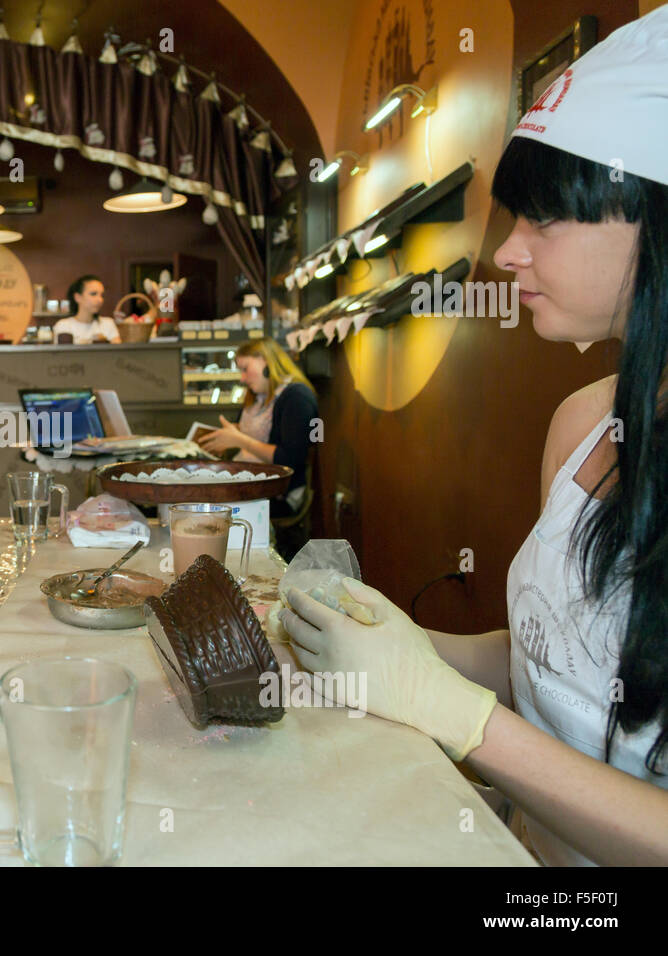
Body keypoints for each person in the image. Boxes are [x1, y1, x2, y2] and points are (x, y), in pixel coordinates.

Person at [279, 8, 668, 866]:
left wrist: (455, 717)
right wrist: (414, 647)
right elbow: (559, 660)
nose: (506, 255)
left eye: (544, 221)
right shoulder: (579, 426)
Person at [196, 338, 318, 552]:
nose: (242, 378)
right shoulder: (256, 396)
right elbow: (247, 432)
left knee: (202, 505)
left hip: (280, 493)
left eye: (245, 369)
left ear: (266, 362)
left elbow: (291, 459)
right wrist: (223, 438)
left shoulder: (297, 397)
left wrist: (238, 439)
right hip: (248, 483)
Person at [51, 276, 121, 344]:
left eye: (101, 295)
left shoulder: (108, 324)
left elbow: (118, 353)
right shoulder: (63, 326)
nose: (100, 300)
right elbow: (60, 355)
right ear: (77, 297)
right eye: (93, 294)